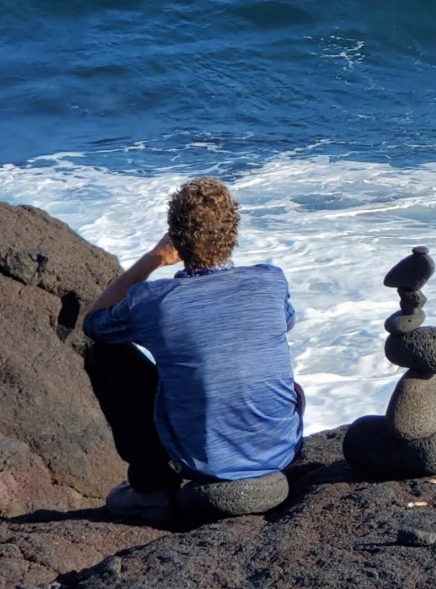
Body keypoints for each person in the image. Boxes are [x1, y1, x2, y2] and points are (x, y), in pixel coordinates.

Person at [82, 176, 303, 519]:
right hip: (282, 452)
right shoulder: (271, 281)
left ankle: (151, 486)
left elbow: (93, 323)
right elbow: (284, 323)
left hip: (199, 464)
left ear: (176, 238)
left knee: (105, 356)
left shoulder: (154, 303)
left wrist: (153, 259)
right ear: (234, 231)